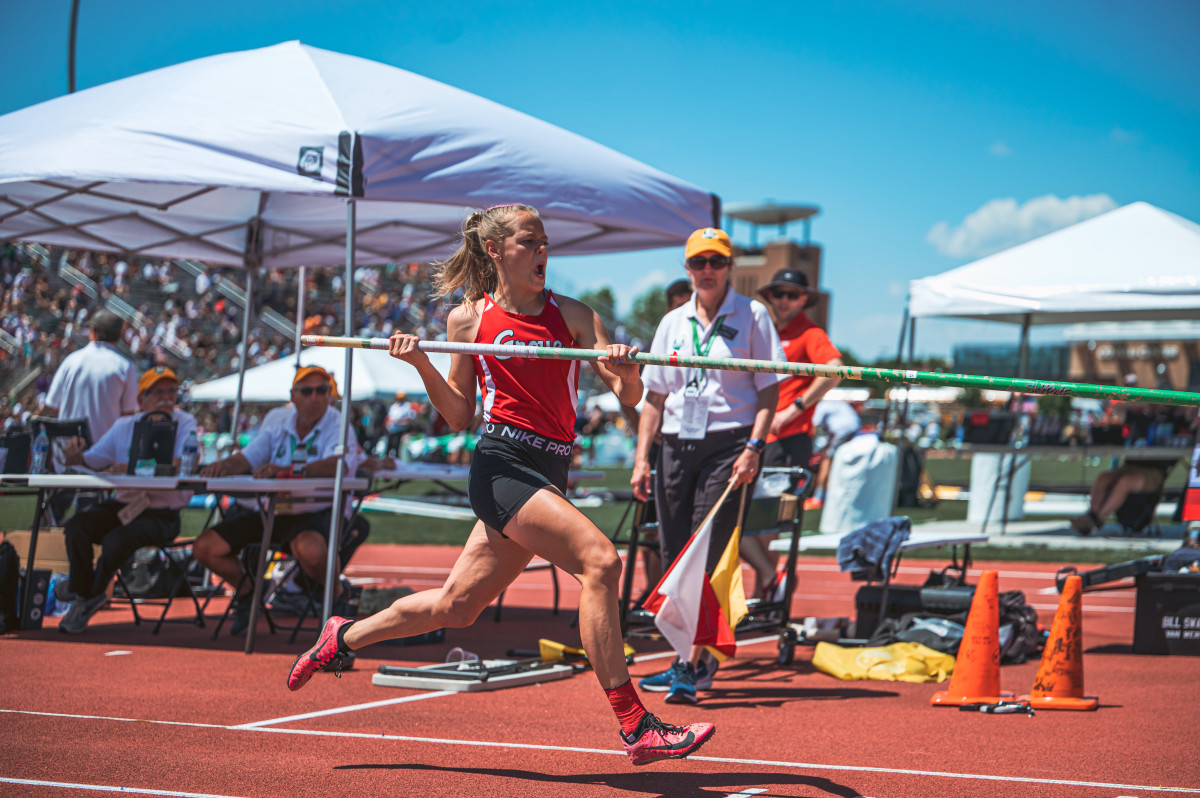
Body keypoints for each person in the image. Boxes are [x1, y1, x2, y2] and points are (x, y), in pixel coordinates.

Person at [285, 204, 713, 767]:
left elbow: (628, 397)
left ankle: (342, 636)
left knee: (456, 607)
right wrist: (422, 366)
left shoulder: (577, 315)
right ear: (495, 251)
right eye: (529, 242)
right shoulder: (468, 320)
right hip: (502, 468)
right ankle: (637, 726)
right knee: (601, 562)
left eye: (545, 243)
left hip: (550, 470)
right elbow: (460, 415)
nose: (542, 253)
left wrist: (627, 369)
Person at [632, 227, 784, 704]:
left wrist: (753, 448)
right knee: (676, 554)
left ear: (729, 266)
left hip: (728, 444)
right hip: (676, 445)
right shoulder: (673, 321)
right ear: (688, 268)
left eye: (715, 262)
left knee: (705, 551)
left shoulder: (753, 314)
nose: (707, 271)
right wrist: (642, 459)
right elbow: (654, 396)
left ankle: (688, 664)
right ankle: (692, 657)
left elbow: (770, 390)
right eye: (698, 263)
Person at [193, 366, 365, 635]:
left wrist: (289, 471)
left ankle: (336, 596)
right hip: (268, 511)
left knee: (311, 550)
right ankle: (249, 589)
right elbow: (248, 457)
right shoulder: (278, 422)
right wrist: (221, 467)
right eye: (307, 391)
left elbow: (338, 465)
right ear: (293, 396)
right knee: (205, 548)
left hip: (313, 509)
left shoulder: (338, 423)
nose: (315, 397)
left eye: (322, 390)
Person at [56, 367, 197, 634]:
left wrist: (127, 468)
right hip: (125, 506)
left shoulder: (185, 423)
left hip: (162, 513)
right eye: (158, 392)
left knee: (115, 541)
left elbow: (183, 462)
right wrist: (72, 455)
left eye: (171, 391)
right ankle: (85, 591)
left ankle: (84, 595)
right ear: (141, 400)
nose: (166, 397)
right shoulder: (124, 426)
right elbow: (90, 460)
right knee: (77, 526)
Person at [42, 309, 138, 517]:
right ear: (120, 336)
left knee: (52, 516)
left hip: (65, 454)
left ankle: (40, 547)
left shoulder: (71, 361)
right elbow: (128, 416)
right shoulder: (124, 366)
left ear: (92, 331)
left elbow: (53, 405)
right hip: (101, 458)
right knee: (88, 520)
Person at [1069, 456, 1176, 535]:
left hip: (1154, 469)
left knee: (1124, 482)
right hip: (1132, 465)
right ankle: (1092, 514)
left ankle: (1094, 519)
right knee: (1104, 478)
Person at [808, 398, 862, 508]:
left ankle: (819, 497)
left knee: (827, 461)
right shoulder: (835, 404)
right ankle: (829, 496)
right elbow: (833, 433)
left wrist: (811, 448)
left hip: (844, 431)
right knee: (835, 461)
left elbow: (814, 428)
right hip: (854, 428)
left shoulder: (820, 406)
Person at [384, 391, 417, 457]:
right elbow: (389, 418)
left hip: (400, 430)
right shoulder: (394, 406)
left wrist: (398, 421)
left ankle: (397, 461)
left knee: (397, 447)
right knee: (388, 447)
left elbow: (410, 418)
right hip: (391, 429)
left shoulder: (407, 405)